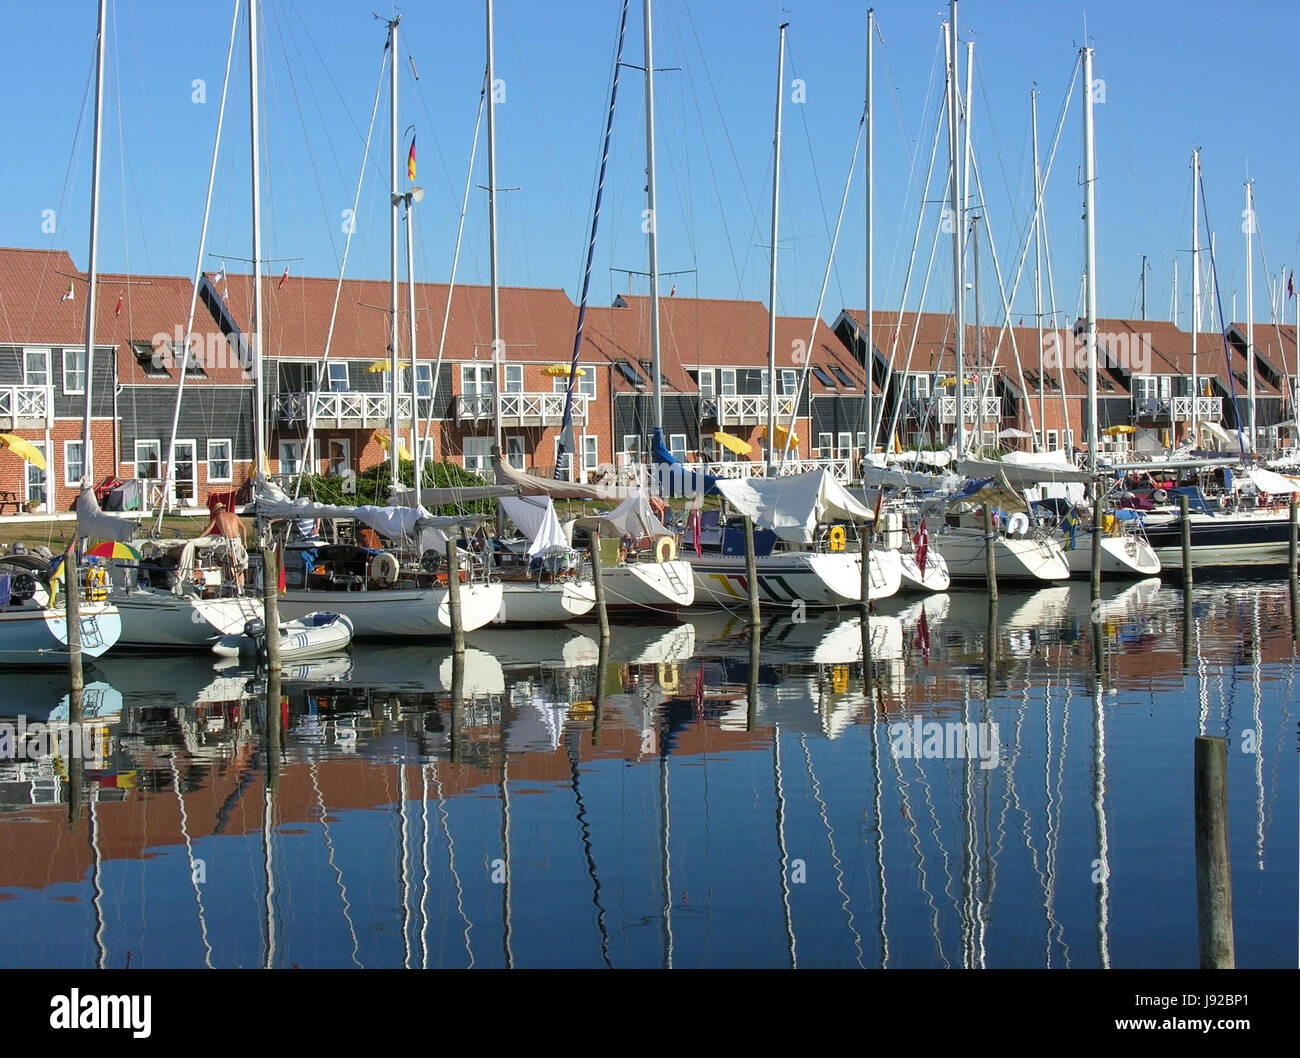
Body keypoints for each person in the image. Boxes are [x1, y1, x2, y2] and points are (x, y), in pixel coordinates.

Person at [202, 502, 249, 591]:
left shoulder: (217, 517)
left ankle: (231, 582)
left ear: (217, 511)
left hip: (227, 542)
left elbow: (208, 529)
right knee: (239, 566)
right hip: (238, 541)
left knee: (217, 556)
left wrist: (199, 539)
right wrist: (245, 542)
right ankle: (241, 588)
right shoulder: (234, 516)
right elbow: (244, 528)